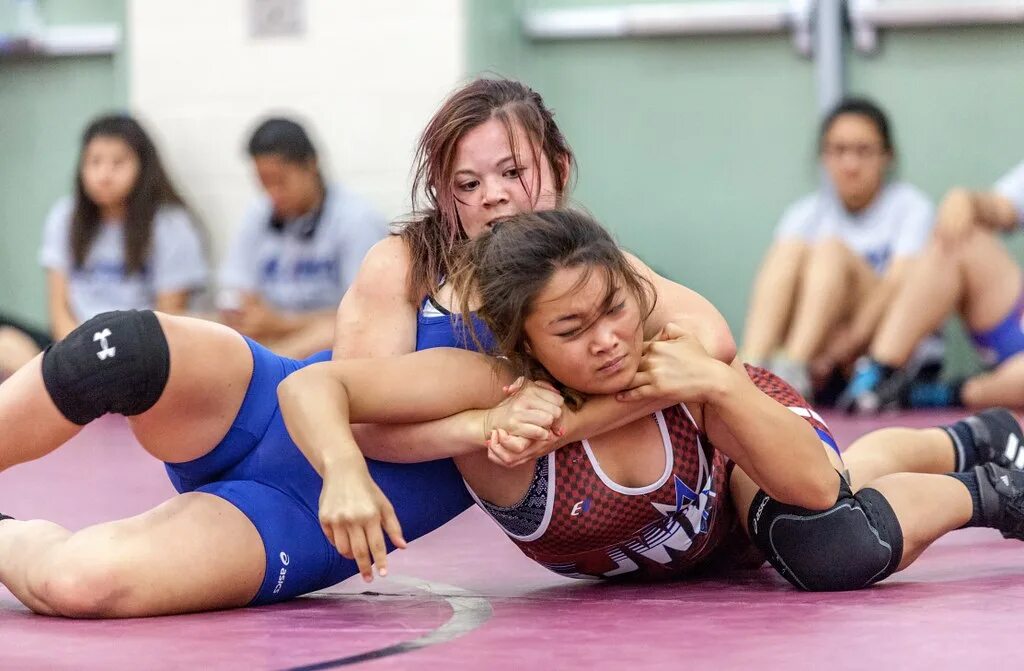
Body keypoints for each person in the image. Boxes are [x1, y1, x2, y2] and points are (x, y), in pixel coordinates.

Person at [0, 77, 736, 617]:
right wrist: (485, 428)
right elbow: (361, 420)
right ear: (446, 196)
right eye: (468, 182)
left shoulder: (593, 273)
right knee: (121, 348)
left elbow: (711, 340)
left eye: (514, 171)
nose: (495, 196)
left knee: (80, 584)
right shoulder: (404, 265)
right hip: (269, 409)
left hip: (306, 511)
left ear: (559, 166)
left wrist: (566, 421)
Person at [281, 209, 1024, 591]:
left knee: (830, 536)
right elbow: (311, 382)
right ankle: (973, 434)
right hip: (695, 551)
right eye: (572, 328)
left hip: (737, 470)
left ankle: (993, 489)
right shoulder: (492, 385)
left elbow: (815, 487)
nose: (609, 339)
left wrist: (716, 381)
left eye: (617, 308)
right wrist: (345, 469)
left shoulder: (674, 360)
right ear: (524, 343)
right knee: (853, 483)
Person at [740, 98, 938, 401]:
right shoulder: (805, 212)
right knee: (790, 250)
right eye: (839, 151)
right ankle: (747, 371)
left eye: (863, 151)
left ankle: (792, 368)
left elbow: (900, 287)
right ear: (824, 157)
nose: (850, 164)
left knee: (831, 252)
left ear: (888, 156)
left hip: (882, 351)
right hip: (820, 356)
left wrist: (839, 349)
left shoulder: (912, 208)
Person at [0, 114, 207, 378]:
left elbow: (168, 317)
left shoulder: (171, 225)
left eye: (118, 163)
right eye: (94, 162)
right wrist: (78, 354)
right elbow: (58, 310)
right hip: (73, 346)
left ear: (143, 167)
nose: (104, 174)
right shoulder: (65, 217)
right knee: (6, 340)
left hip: (137, 353)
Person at [840, 160, 1024, 413]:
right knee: (959, 236)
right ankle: (878, 374)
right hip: (1015, 320)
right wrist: (967, 200)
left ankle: (934, 394)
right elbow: (1002, 207)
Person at [217, 117, 387, 358]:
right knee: (196, 324)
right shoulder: (258, 212)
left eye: (281, 181)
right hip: (269, 332)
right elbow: (240, 289)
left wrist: (282, 323)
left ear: (311, 164)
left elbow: (365, 314)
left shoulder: (356, 219)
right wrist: (247, 314)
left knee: (333, 330)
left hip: (330, 336)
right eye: (264, 183)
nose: (272, 194)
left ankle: (265, 367)